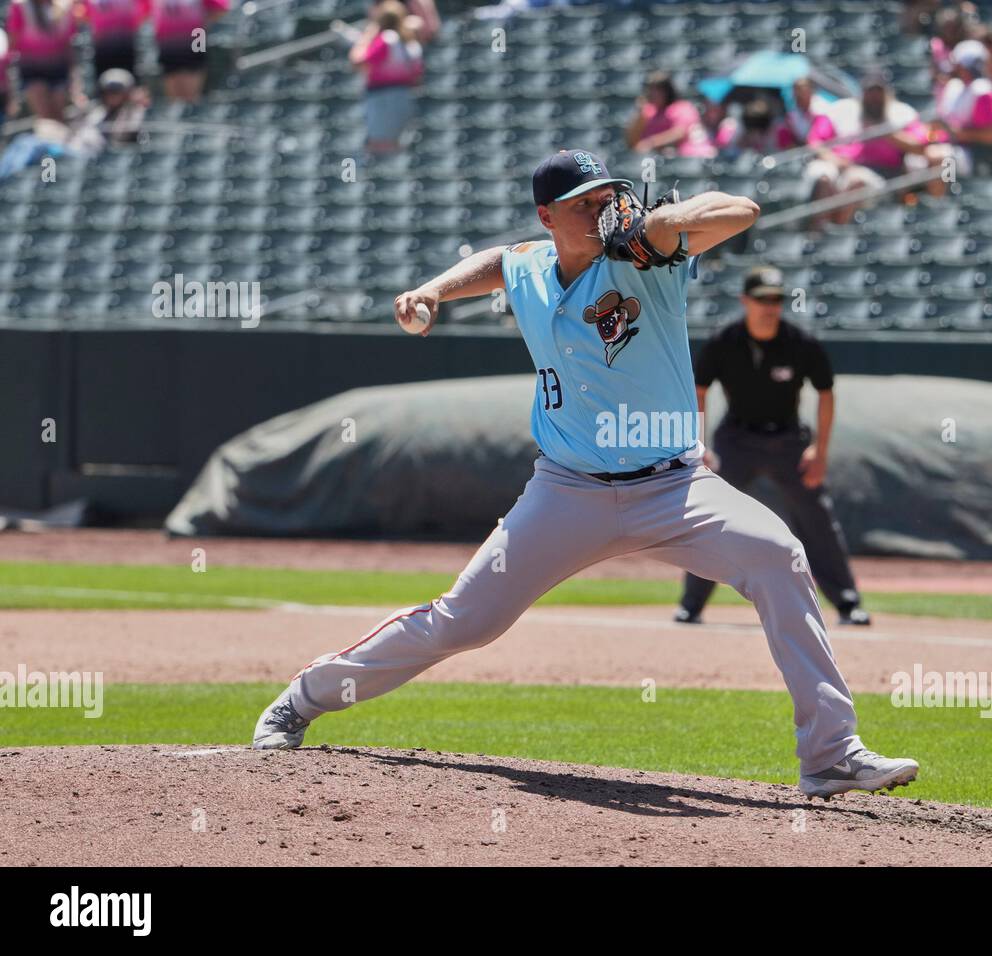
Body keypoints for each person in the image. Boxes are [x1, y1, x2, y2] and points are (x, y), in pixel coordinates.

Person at [252, 148, 920, 801]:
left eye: (610, 195)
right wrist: (432, 290)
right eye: (586, 203)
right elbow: (500, 263)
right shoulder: (534, 266)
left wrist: (662, 222)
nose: (605, 208)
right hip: (567, 492)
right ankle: (303, 698)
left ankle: (831, 756)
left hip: (674, 487)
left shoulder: (648, 255)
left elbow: (743, 210)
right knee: (465, 623)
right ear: (547, 217)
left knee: (779, 555)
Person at [675, 266, 873, 629]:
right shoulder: (725, 342)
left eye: (776, 300)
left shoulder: (800, 343)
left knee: (817, 520)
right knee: (710, 516)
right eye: (762, 299)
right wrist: (698, 444)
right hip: (737, 439)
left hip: (788, 441)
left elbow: (826, 393)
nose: (770, 306)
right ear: (745, 301)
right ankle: (691, 605)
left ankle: (848, 604)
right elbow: (697, 392)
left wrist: (820, 451)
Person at [803, 73, 940, 226]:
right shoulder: (843, 110)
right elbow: (815, 142)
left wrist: (887, 133)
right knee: (823, 178)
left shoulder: (900, 114)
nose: (874, 98)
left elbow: (921, 146)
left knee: (856, 180)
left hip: (884, 177)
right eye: (870, 92)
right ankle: (819, 233)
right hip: (843, 168)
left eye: (878, 93)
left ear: (886, 94)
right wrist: (835, 160)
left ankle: (836, 233)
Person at [350, 0, 423, 154]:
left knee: (382, 145)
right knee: (395, 145)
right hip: (406, 96)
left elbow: (357, 60)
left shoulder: (386, 39)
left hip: (383, 97)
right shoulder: (411, 42)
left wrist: (369, 34)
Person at [930, 39, 992, 177]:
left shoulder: (982, 90)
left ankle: (946, 196)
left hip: (975, 154)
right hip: (952, 147)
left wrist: (951, 131)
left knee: (942, 159)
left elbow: (989, 136)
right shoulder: (954, 86)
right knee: (915, 160)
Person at [6, 0, 81, 121]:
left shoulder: (65, 6)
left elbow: (68, 46)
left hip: (59, 69)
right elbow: (13, 42)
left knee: (59, 117)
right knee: (45, 119)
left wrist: (75, 82)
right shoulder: (20, 7)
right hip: (32, 70)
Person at [152, 0, 229, 103]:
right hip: (167, 44)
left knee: (191, 96)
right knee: (173, 98)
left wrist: (201, 22)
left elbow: (221, 8)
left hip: (196, 39)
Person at [625, 71, 715, 158]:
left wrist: (651, 143)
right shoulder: (648, 111)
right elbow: (632, 142)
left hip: (687, 155)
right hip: (657, 160)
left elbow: (679, 133)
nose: (651, 94)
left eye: (656, 90)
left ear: (666, 92)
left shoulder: (682, 108)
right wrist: (640, 114)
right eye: (650, 90)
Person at [67, 67, 146, 151]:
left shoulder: (135, 112)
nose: (112, 95)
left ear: (127, 93)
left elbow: (122, 136)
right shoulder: (96, 110)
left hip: (119, 155)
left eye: (117, 91)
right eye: (109, 91)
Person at [79, 0, 150, 80]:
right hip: (103, 47)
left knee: (128, 81)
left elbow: (146, 10)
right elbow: (82, 15)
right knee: (105, 83)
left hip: (126, 45)